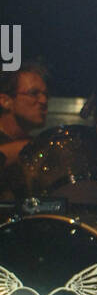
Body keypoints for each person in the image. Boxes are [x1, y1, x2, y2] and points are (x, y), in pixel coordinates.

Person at [0, 59, 50, 198]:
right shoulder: (36, 146)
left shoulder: (36, 145)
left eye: (46, 95)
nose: (43, 101)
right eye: (34, 93)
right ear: (5, 101)